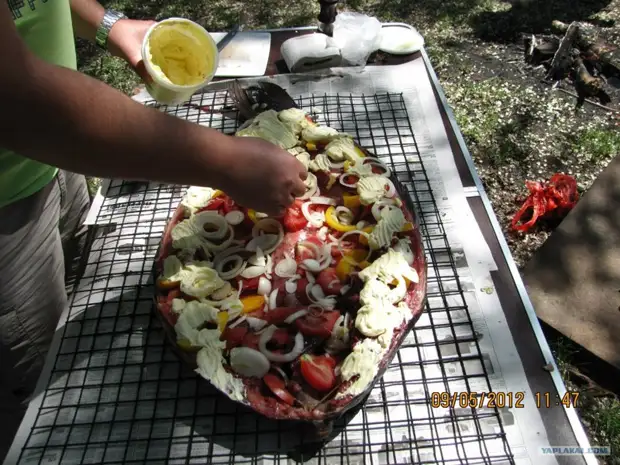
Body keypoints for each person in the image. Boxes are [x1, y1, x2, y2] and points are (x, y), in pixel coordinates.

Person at [0, 0, 308, 461]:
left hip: (51, 156)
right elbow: (13, 98)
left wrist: (107, 24)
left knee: (75, 298)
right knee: (49, 379)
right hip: (8, 197)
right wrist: (225, 161)